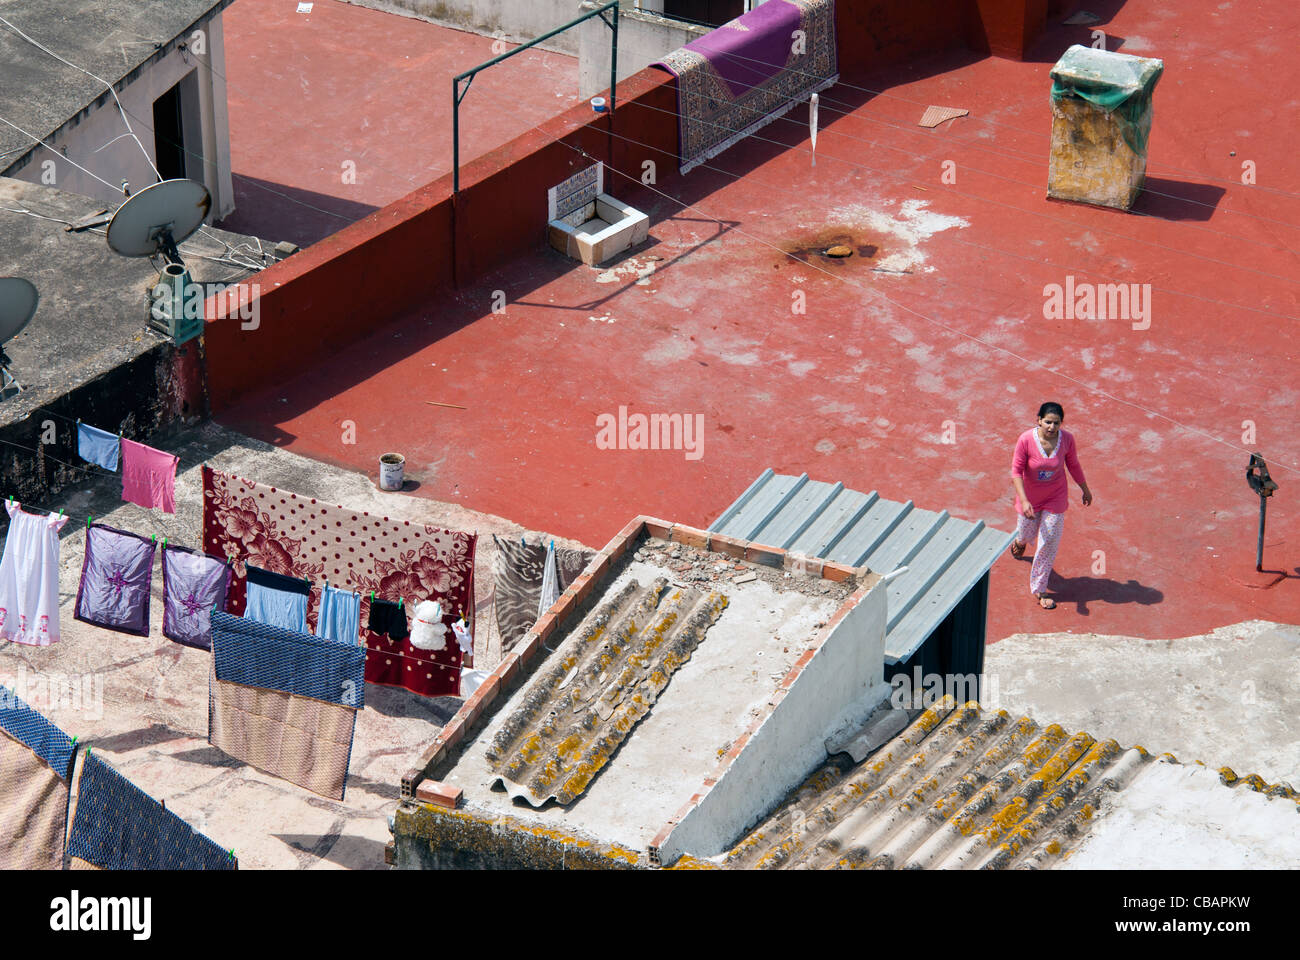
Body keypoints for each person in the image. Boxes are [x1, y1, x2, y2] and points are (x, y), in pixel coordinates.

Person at [1008, 402, 1092, 609]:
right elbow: (1016, 471)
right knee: (1027, 534)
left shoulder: (1067, 440)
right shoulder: (1026, 440)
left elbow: (1073, 465)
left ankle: (1039, 588)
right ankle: (1020, 542)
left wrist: (1085, 489)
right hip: (1030, 498)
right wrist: (1025, 499)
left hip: (1055, 496)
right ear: (1038, 420)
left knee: (1049, 541)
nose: (1052, 427)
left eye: (1056, 423)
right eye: (1047, 422)